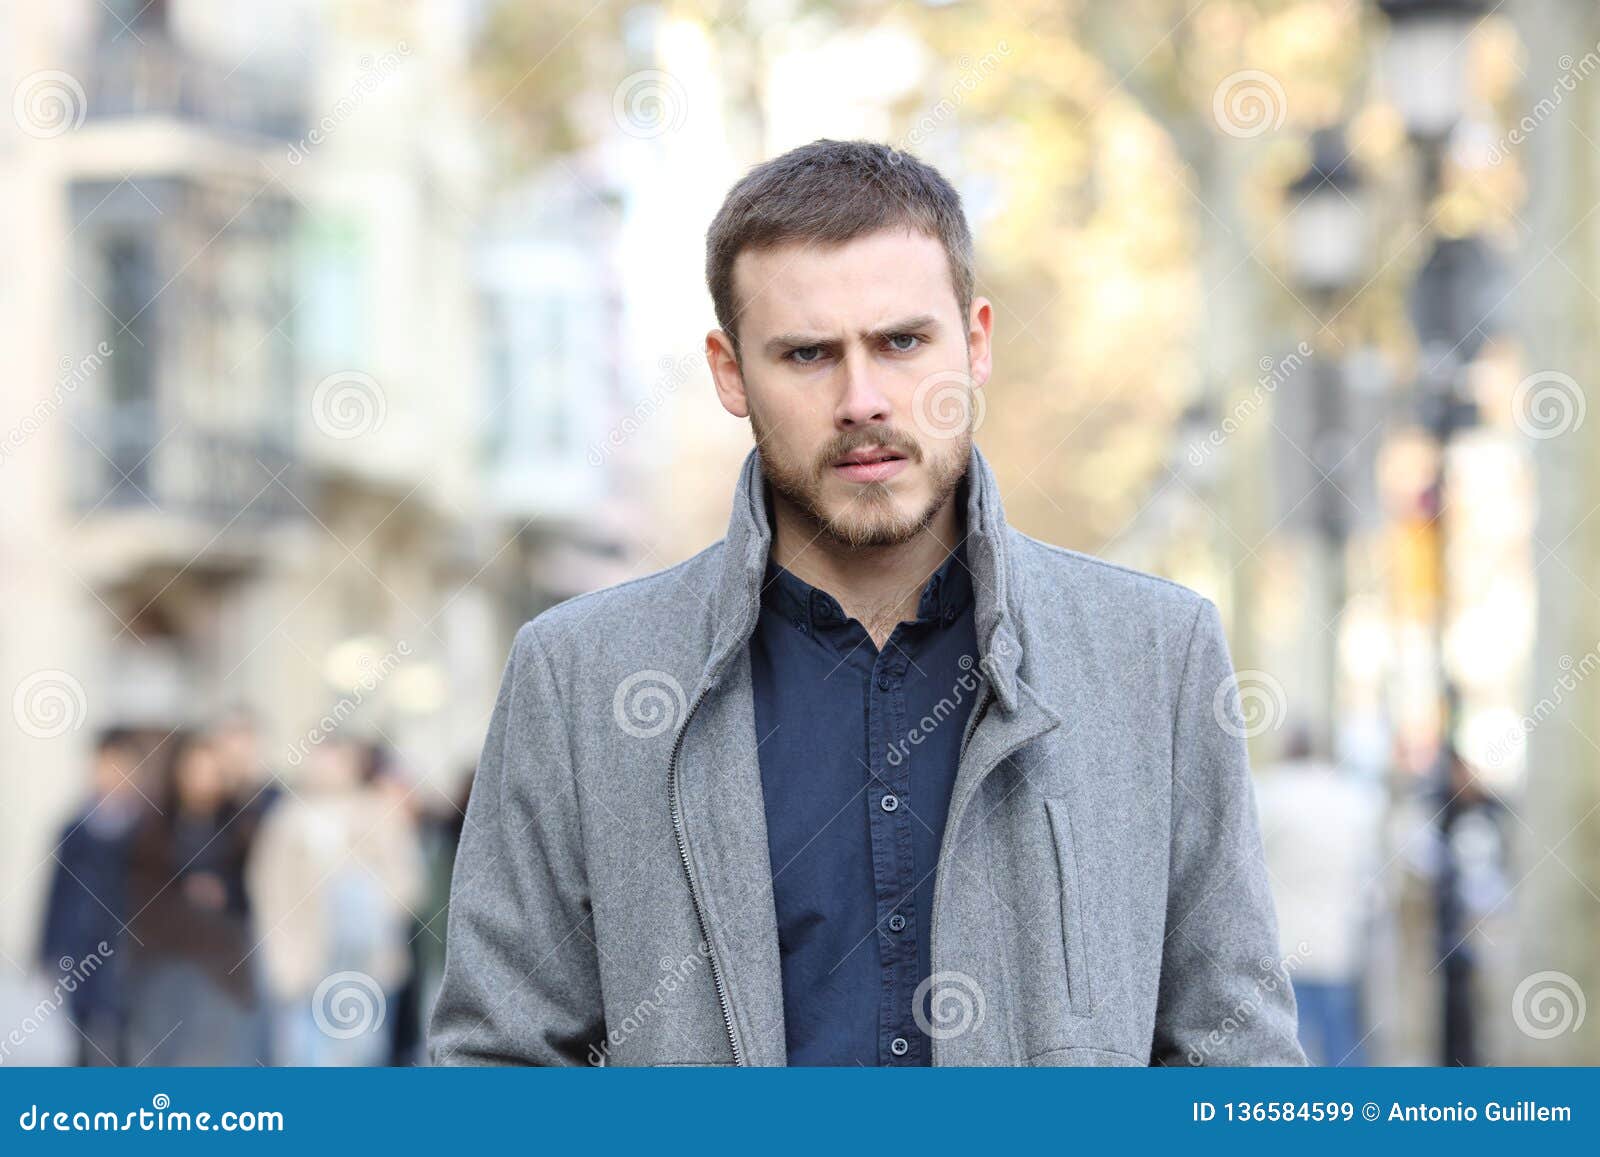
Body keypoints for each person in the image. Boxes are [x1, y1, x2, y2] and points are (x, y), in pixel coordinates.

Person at [429, 139, 1304, 1067]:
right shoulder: (579, 679)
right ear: (730, 372)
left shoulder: (1154, 658)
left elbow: (1235, 1059)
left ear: (974, 343)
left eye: (901, 342)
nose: (863, 399)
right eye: (807, 354)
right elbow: (498, 1063)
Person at [247, 736, 424, 1066]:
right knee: (303, 1052)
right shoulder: (287, 819)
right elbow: (270, 888)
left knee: (363, 1051)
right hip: (305, 959)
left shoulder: (378, 812)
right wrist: (281, 956)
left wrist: (373, 910)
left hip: (366, 963)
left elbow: (406, 879)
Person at [124, 731, 265, 1065]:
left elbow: (253, 886)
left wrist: (222, 891)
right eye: (194, 770)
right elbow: (139, 891)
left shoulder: (240, 826)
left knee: (214, 1054)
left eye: (210, 771)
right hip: (162, 961)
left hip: (220, 962)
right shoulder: (152, 827)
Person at [1254, 726, 1383, 1065]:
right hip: (1335, 946)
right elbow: (1370, 877)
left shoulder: (1269, 792)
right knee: (1341, 1045)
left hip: (1281, 946)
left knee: (1282, 1049)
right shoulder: (1352, 798)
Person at [38, 727, 146, 1066]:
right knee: (82, 1034)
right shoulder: (74, 828)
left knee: (126, 1034)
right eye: (106, 765)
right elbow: (57, 892)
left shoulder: (148, 829)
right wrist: (48, 948)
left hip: (128, 946)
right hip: (82, 944)